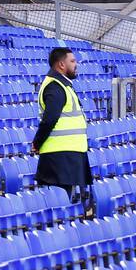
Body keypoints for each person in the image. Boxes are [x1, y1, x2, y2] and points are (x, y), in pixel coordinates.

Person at [33, 47, 92, 203]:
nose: (76, 64)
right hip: (58, 156)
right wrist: (37, 143)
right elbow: (49, 119)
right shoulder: (55, 87)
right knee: (59, 204)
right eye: (72, 61)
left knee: (67, 203)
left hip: (68, 153)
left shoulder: (64, 86)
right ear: (61, 65)